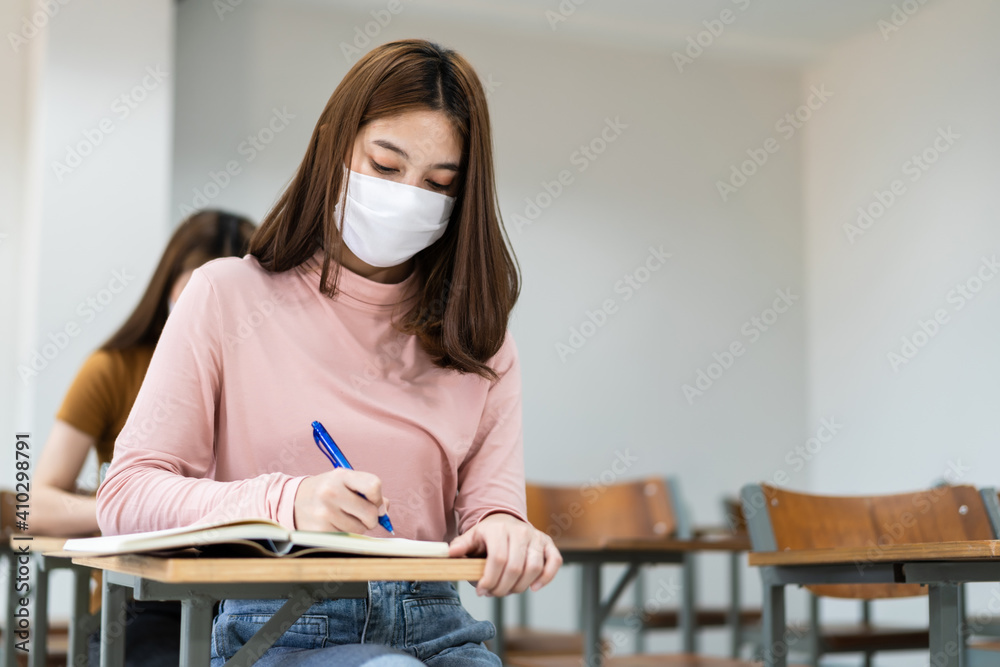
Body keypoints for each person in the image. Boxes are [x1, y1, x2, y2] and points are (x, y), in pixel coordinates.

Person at [95, 39, 562, 666]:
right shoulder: (226, 295)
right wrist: (286, 503)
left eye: (438, 183)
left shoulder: (479, 340)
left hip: (437, 622)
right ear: (333, 144)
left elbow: (491, 512)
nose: (407, 196)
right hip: (279, 621)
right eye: (386, 166)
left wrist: (509, 533)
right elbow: (124, 497)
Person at [31, 209, 256, 667]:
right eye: (195, 289)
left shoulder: (266, 378)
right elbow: (32, 506)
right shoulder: (113, 368)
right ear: (167, 286)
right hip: (142, 607)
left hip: (252, 601)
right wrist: (135, 507)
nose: (209, 306)